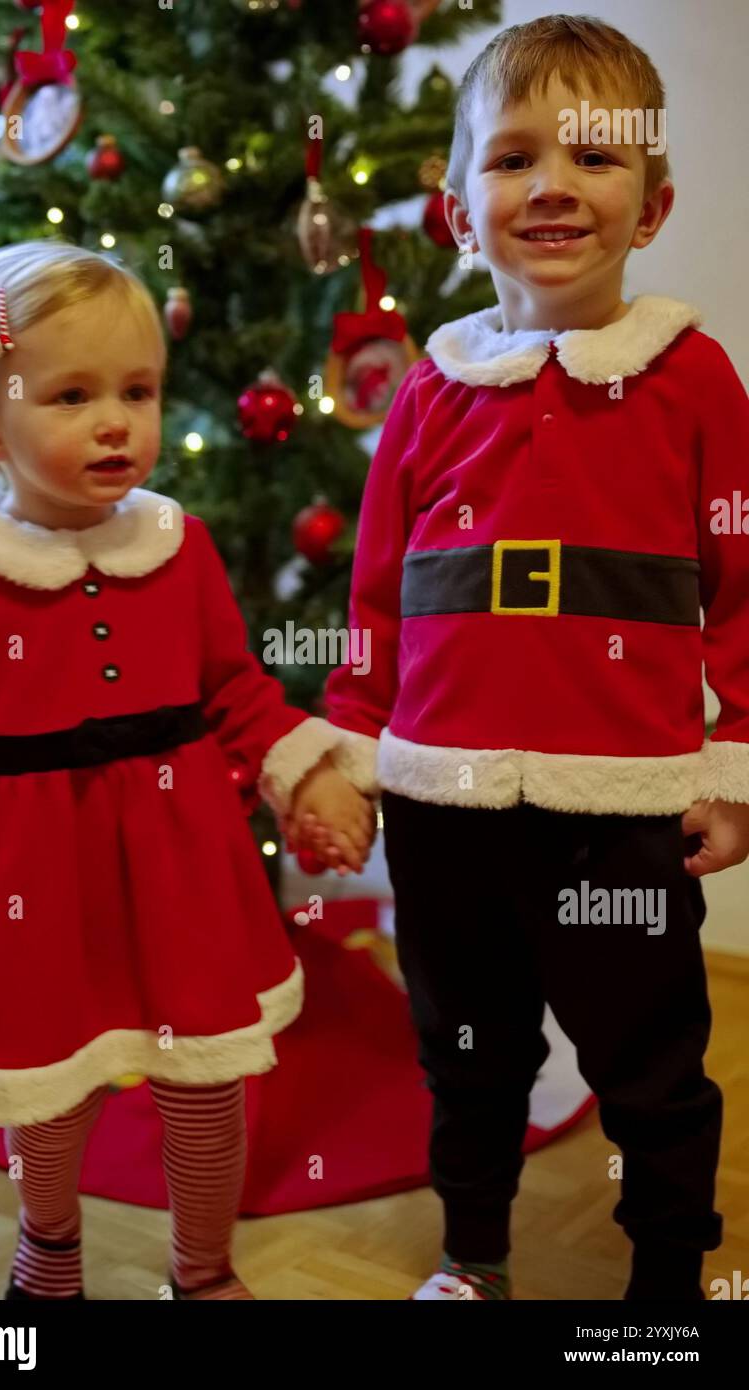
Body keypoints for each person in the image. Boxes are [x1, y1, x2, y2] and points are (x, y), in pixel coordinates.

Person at [288, 15, 749, 1301]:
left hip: (626, 814)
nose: (551, 183)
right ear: (456, 211)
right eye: (513, 158)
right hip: (448, 811)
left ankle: (667, 1278)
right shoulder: (429, 397)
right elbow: (376, 594)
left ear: (651, 206)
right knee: (468, 1052)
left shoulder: (695, 381)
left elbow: (744, 587)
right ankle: (475, 1258)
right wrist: (353, 750)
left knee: (651, 1060)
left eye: (595, 159)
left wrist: (736, 763)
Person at [0, 239, 374, 1301]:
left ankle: (201, 1270)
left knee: (210, 1081)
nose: (116, 420)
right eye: (71, 395)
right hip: (35, 884)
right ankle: (47, 1250)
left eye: (138, 390)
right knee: (49, 1093)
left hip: (181, 870)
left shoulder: (176, 544)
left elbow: (238, 693)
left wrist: (311, 776)